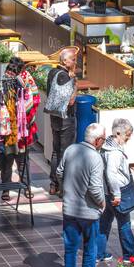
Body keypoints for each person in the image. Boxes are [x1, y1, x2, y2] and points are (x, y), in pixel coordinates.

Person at [57, 122, 107, 267]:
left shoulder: (70, 150)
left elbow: (59, 172)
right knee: (90, 246)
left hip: (69, 210)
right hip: (89, 212)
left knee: (70, 249)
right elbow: (95, 188)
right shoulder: (95, 158)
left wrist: (67, 191)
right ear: (98, 141)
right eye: (104, 139)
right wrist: (102, 203)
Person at [97, 118, 134, 265]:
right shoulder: (114, 153)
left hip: (106, 192)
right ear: (118, 133)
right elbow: (111, 174)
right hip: (116, 194)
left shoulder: (106, 146)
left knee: (105, 222)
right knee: (124, 223)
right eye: (127, 134)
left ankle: (98, 253)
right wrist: (116, 194)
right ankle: (130, 254)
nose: (128, 138)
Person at [0, 58, 39, 201]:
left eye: (12, 72)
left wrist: (23, 119)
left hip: (23, 129)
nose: (9, 75)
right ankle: (5, 189)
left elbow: (34, 100)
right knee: (7, 160)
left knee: (23, 160)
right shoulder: (5, 81)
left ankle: (26, 186)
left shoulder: (27, 81)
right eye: (8, 72)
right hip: (8, 127)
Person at [44, 47, 78, 193]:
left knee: (55, 151)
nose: (75, 61)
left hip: (54, 118)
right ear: (65, 61)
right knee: (65, 153)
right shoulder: (65, 76)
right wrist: (75, 83)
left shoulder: (52, 72)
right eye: (73, 59)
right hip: (66, 119)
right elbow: (70, 101)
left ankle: (53, 184)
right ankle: (64, 187)